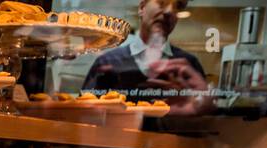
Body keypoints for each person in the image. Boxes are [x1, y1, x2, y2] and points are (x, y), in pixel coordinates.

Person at [81, 0, 212, 115]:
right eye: (161, 2)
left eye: (178, 5)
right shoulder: (107, 62)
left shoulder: (189, 65)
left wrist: (197, 104)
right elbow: (84, 112)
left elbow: (203, 121)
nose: (169, 11)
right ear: (141, 8)